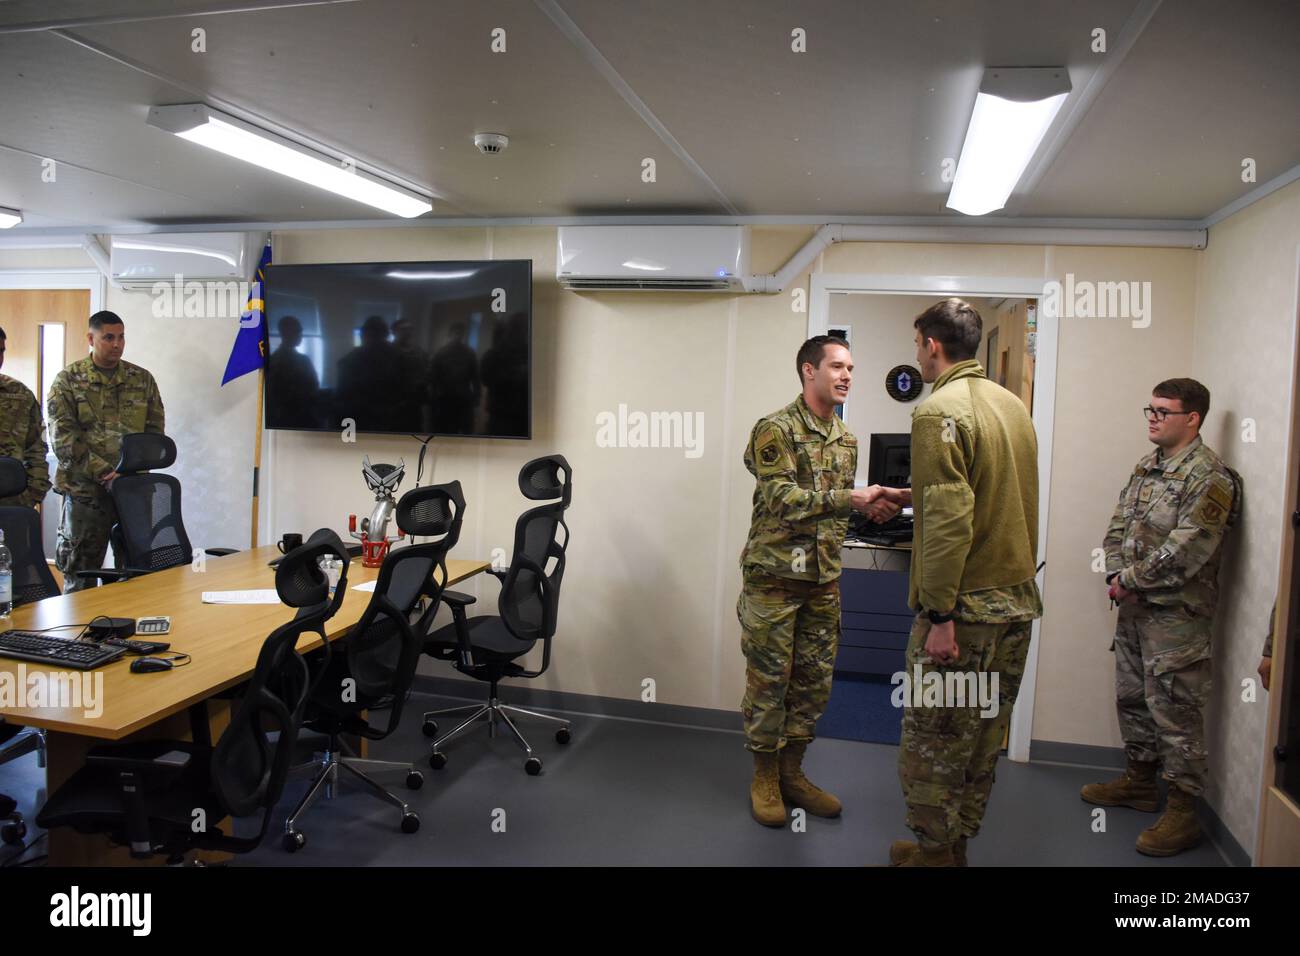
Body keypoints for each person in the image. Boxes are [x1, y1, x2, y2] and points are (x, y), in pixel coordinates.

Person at [882, 298, 1041, 867]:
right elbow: (985, 493)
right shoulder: (1011, 406)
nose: (917, 355)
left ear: (930, 344)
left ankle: (933, 854)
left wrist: (941, 617)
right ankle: (954, 846)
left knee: (933, 745)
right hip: (1013, 608)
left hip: (963, 618)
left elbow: (950, 521)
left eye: (916, 344)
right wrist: (914, 497)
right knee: (978, 740)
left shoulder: (937, 411)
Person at [738, 334, 897, 827]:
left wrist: (872, 511)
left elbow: (829, 516)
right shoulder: (775, 429)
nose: (847, 375)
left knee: (812, 685)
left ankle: (793, 773)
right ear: (810, 371)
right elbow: (782, 498)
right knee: (770, 684)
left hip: (823, 581)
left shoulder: (846, 440)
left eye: (851, 368)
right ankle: (764, 776)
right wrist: (852, 498)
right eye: (837, 367)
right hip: (774, 581)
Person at [1083, 378, 1241, 856]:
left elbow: (1186, 549)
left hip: (1177, 619)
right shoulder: (1148, 466)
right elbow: (1117, 523)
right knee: (1133, 698)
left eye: (1163, 411)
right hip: (1133, 610)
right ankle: (1139, 782)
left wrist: (1129, 579)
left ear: (1191, 419)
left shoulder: (1210, 476)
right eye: (1149, 409)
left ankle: (1183, 813)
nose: (1152, 417)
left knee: (1176, 713)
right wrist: (1116, 570)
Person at [47, 311, 165, 592]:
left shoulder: (141, 379)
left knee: (136, 574)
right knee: (81, 578)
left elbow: (154, 434)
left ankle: (126, 635)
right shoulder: (68, 381)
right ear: (91, 338)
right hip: (86, 495)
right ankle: (78, 637)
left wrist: (127, 475)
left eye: (121, 337)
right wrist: (104, 473)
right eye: (108, 337)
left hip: (133, 491)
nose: (117, 344)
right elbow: (63, 439)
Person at [0, 325, 51, 508]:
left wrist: (34, 493)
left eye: (1, 351)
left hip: (13, 503)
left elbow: (37, 447)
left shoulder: (19, 394)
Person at [266, 315, 321, 428]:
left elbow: (314, 386)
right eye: (298, 331)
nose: (301, 335)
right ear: (285, 333)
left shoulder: (273, 360)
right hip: (295, 420)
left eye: (300, 331)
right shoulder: (275, 362)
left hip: (295, 419)